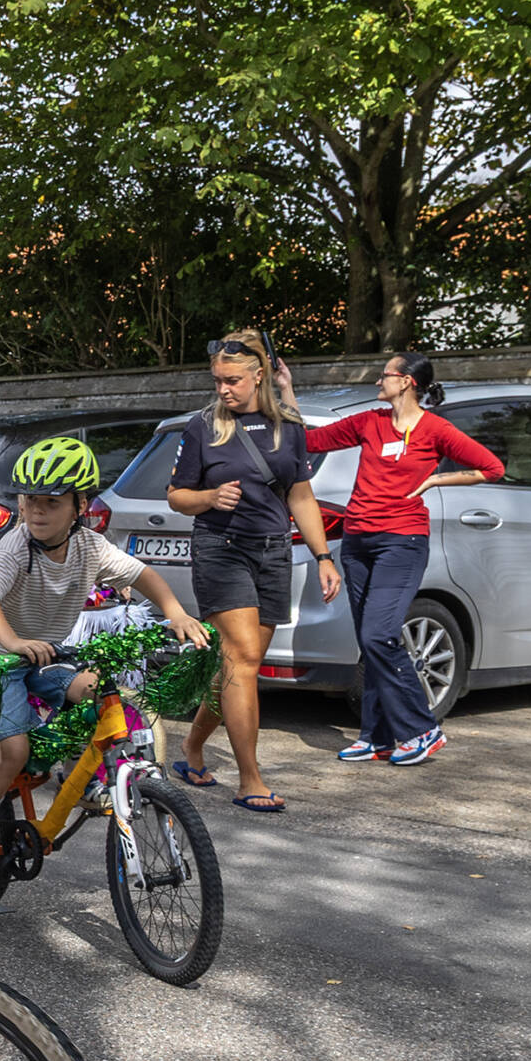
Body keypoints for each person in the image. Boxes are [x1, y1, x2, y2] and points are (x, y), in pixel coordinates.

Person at [0, 439, 209, 885]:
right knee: (12, 749)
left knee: (100, 693)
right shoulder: (15, 548)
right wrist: (13, 641)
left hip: (45, 651)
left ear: (80, 506)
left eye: (51, 503)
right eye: (31, 500)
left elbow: (142, 574)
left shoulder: (90, 547)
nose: (37, 512)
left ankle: (86, 776)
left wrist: (176, 612)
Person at [166, 329, 342, 813]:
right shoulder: (204, 427)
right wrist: (207, 498)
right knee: (243, 657)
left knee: (237, 668)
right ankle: (251, 779)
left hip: (272, 553)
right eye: (218, 380)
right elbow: (177, 496)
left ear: (259, 375)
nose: (224, 389)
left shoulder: (287, 425)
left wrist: (324, 557)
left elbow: (300, 496)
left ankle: (192, 748)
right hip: (220, 549)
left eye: (233, 380)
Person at [306, 351, 500, 767]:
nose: (379, 381)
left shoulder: (436, 429)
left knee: (380, 634)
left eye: (386, 375)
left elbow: (492, 467)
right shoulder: (370, 422)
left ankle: (420, 728)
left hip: (402, 540)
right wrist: (284, 391)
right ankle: (376, 736)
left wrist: (436, 477)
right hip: (358, 542)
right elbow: (312, 441)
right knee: (370, 641)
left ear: (408, 381)